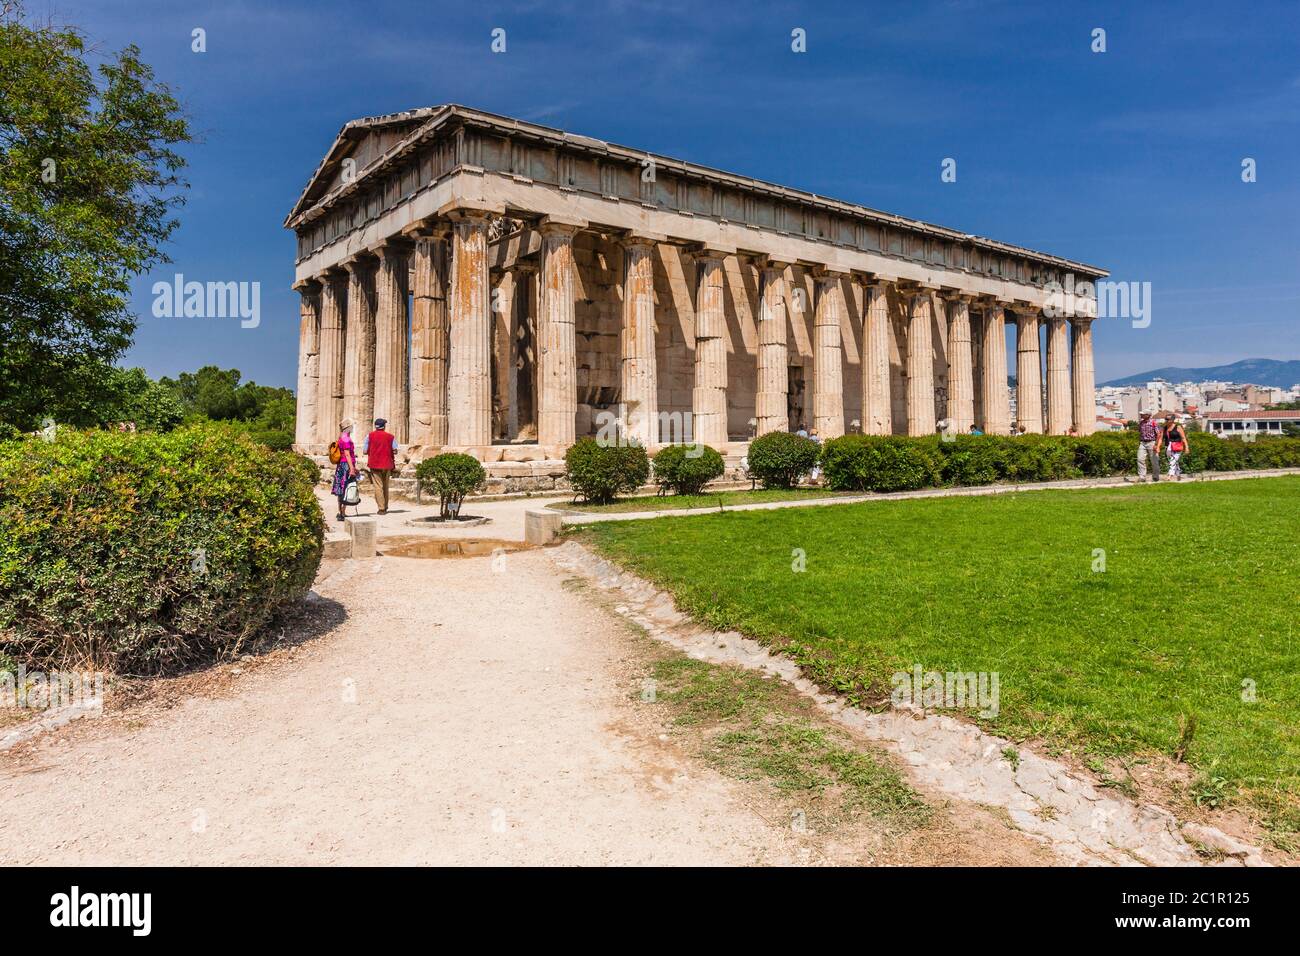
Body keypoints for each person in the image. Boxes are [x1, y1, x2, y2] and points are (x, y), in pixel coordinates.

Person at [364, 417, 400, 514]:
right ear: (384, 426)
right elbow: (395, 450)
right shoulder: (390, 437)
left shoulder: (369, 436)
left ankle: (381, 508)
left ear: (375, 426)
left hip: (374, 464)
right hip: (387, 464)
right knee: (385, 486)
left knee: (378, 486)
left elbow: (364, 451)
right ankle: (386, 505)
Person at [331, 419, 358, 520]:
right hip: (346, 465)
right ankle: (342, 512)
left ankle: (341, 511)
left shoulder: (341, 437)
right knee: (346, 487)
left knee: (340, 488)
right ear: (348, 427)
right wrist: (352, 468)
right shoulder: (346, 439)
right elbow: (347, 454)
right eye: (351, 426)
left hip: (341, 465)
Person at [1159, 414, 1189, 481]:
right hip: (1168, 447)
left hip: (1177, 447)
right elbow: (1161, 439)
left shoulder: (1178, 427)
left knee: (1172, 461)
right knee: (1174, 461)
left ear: (1172, 420)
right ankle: (1178, 475)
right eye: (1165, 419)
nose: (1166, 420)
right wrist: (1158, 447)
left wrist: (1186, 447)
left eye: (1168, 419)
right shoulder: (1164, 428)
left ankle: (1170, 475)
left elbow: (1183, 438)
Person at [1133, 411, 1161, 483]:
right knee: (1140, 459)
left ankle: (1155, 477)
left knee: (1154, 461)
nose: (1141, 415)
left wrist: (1156, 445)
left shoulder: (1154, 422)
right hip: (1142, 443)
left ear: (1148, 415)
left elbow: (1158, 434)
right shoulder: (1141, 423)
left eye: (1143, 414)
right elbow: (1139, 432)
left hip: (1152, 442)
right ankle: (1142, 477)